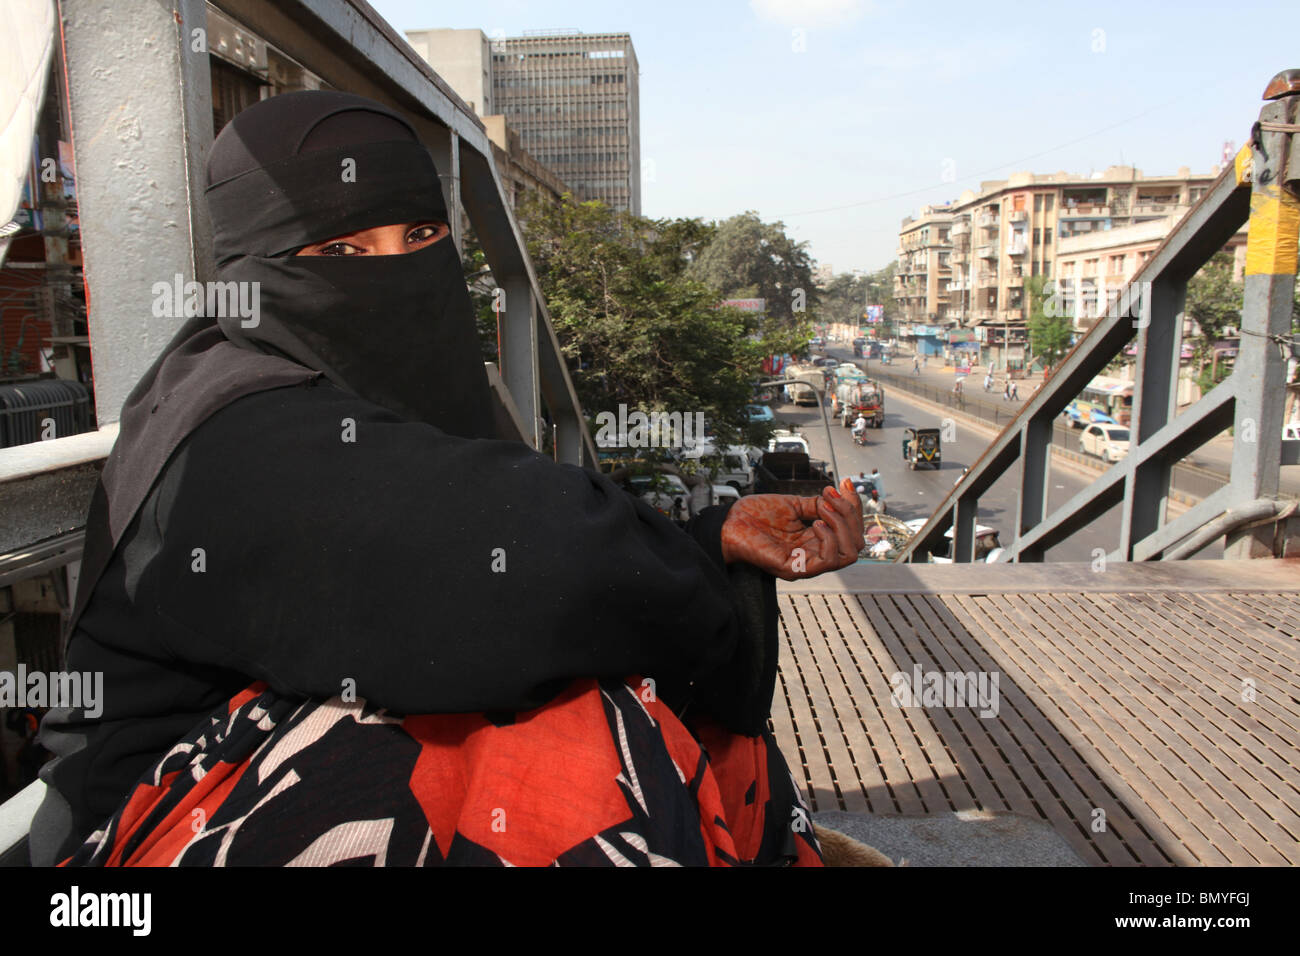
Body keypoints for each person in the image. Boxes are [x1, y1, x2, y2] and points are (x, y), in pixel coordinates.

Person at [33, 91, 865, 868]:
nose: (393, 274)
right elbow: (526, 575)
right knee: (553, 740)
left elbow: (517, 549)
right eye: (342, 251)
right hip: (139, 830)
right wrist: (678, 567)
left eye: (422, 239)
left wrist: (703, 539)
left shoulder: (341, 391)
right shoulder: (234, 433)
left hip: (262, 772)